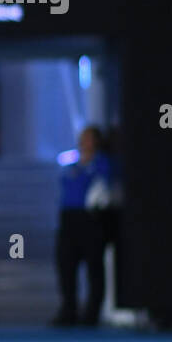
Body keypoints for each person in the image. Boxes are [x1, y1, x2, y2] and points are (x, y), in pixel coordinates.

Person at [53, 126, 115, 326]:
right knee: (66, 265)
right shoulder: (71, 165)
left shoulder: (102, 164)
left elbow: (105, 187)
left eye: (89, 138)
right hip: (69, 219)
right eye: (83, 138)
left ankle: (92, 314)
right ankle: (68, 309)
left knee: (94, 266)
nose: (85, 142)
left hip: (91, 219)